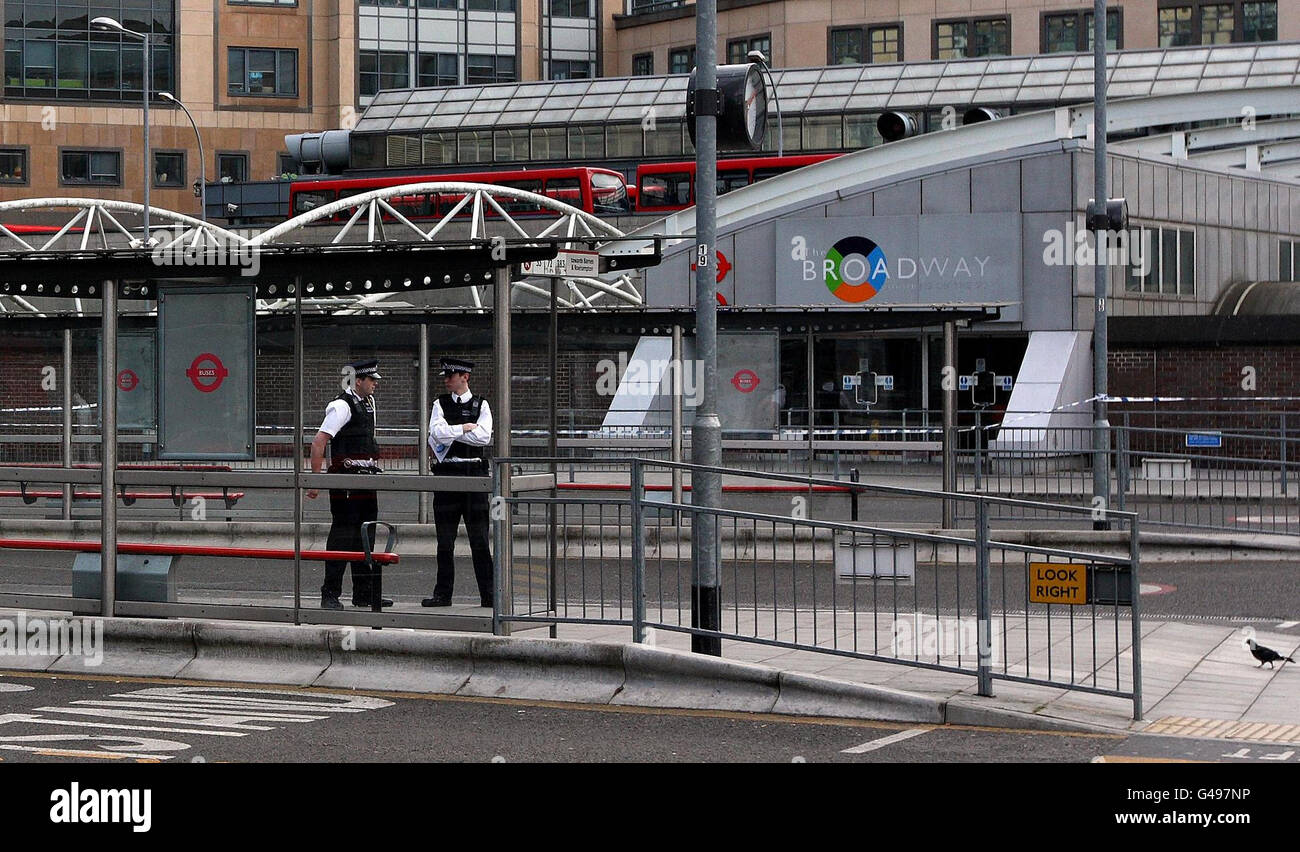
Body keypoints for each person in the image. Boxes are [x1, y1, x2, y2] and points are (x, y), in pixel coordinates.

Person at [306, 358, 393, 610]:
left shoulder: (367, 403)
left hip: (365, 479)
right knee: (342, 537)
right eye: (371, 380)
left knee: (365, 536)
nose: (375, 384)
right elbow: (319, 441)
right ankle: (330, 594)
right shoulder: (341, 406)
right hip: (345, 483)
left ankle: (364, 593)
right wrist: (315, 479)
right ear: (358, 381)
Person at [422, 357, 494, 608]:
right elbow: (435, 433)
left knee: (480, 540)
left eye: (451, 375)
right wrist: (463, 427)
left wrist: (452, 431)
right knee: (444, 541)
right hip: (447, 475)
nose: (446, 379)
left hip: (474, 475)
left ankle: (489, 595)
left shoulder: (481, 404)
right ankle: (443, 594)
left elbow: (484, 437)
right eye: (446, 375)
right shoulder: (439, 404)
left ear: (465, 377)